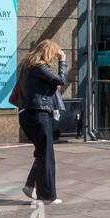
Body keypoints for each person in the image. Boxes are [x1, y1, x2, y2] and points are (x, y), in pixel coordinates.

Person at [18, 39, 68, 204]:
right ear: (47, 52)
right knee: (47, 155)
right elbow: (61, 80)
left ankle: (30, 185)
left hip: (28, 114)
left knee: (42, 152)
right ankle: (46, 196)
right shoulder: (39, 67)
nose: (53, 58)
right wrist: (63, 61)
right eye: (53, 55)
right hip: (38, 115)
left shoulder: (28, 67)